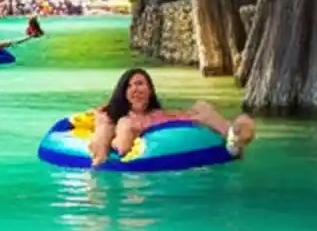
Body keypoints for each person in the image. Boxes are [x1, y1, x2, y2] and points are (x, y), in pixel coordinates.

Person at [87, 68, 256, 167]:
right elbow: (109, 137)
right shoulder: (115, 116)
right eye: (129, 86)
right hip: (133, 152)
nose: (135, 89)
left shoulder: (159, 114)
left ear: (150, 90)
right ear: (123, 93)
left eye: (140, 84)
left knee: (201, 106)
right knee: (126, 124)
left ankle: (233, 137)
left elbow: (184, 119)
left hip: (165, 134)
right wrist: (102, 153)